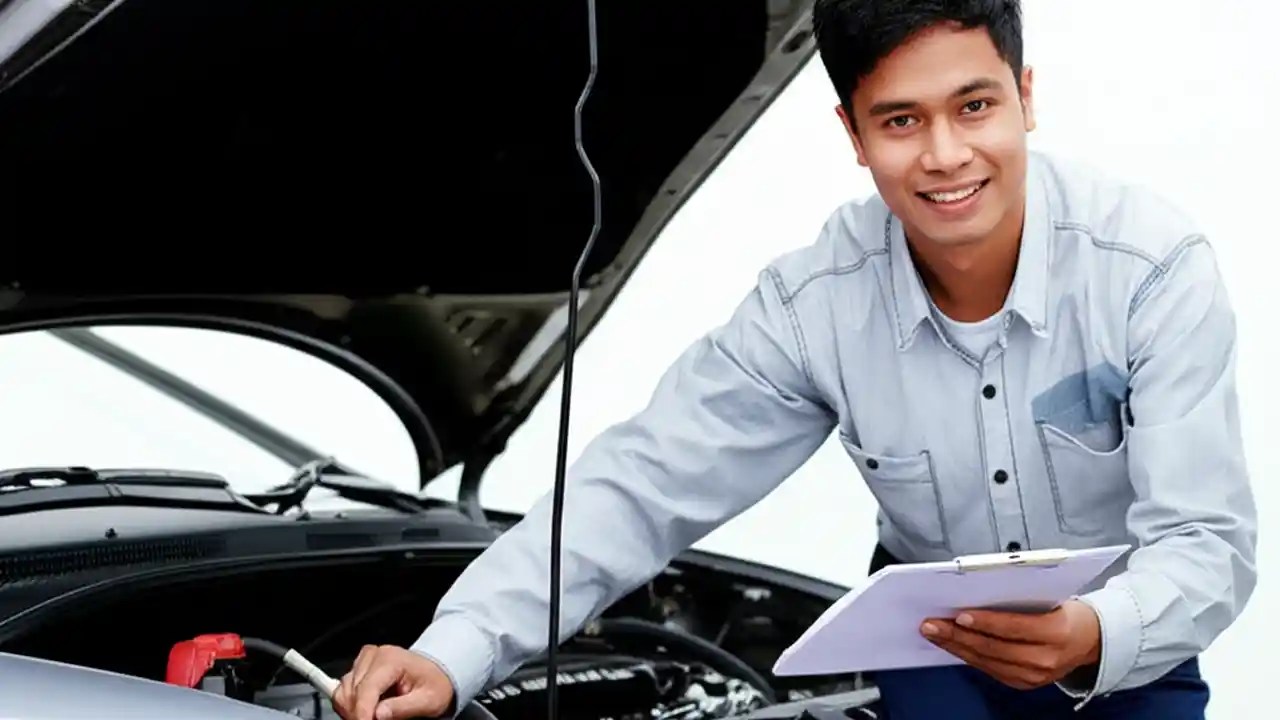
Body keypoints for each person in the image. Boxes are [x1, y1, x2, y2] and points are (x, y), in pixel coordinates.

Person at [331, 1, 1257, 718]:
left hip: (1131, 652)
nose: (945, 155)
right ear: (853, 136)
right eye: (900, 121)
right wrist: (455, 648)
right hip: (934, 663)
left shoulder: (1151, 273)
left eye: (974, 105)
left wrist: (1099, 630)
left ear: (1026, 95)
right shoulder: (812, 308)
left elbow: (1205, 546)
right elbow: (640, 485)